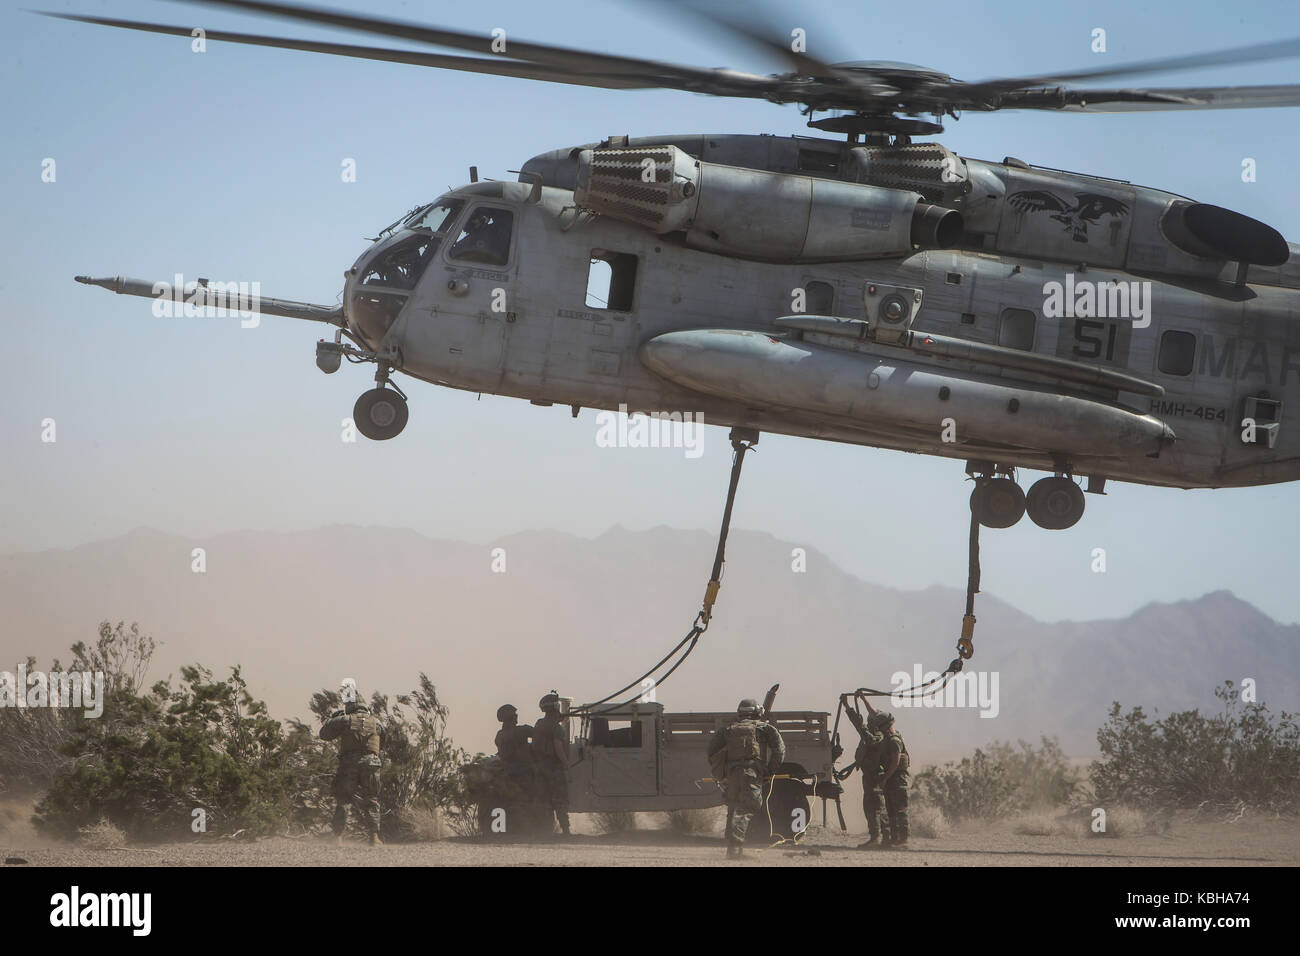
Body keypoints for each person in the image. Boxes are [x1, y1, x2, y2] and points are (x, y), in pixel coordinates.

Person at [707, 698, 785, 858]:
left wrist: (722, 773)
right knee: (749, 806)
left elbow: (711, 752)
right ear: (757, 712)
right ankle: (736, 849)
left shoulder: (726, 730)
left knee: (733, 807)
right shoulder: (765, 728)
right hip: (752, 772)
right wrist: (769, 771)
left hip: (731, 773)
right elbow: (779, 751)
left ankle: (731, 850)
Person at [319, 678, 383, 846]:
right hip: (372, 763)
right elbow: (384, 738)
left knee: (344, 799)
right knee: (372, 800)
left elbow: (324, 734)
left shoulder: (345, 720)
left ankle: (338, 837)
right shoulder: (376, 722)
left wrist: (335, 718)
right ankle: (374, 838)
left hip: (350, 764)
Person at [843, 692, 890, 847]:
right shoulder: (873, 736)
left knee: (874, 807)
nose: (868, 724)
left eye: (870, 722)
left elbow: (860, 727)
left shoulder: (876, 737)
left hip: (874, 776)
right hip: (870, 775)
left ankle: (878, 838)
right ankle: (882, 838)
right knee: (873, 806)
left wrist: (848, 706)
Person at [530, 691, 571, 836]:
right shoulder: (556, 728)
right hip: (554, 768)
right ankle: (566, 830)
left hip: (540, 767)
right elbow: (558, 747)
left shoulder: (539, 724)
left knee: (544, 800)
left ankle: (545, 831)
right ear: (555, 707)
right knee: (560, 800)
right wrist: (566, 763)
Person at [869, 706, 910, 848]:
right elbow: (876, 715)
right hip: (892, 779)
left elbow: (895, 762)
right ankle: (894, 839)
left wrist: (885, 778)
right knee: (891, 811)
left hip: (897, 779)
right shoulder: (890, 737)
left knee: (900, 810)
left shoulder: (894, 741)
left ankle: (903, 840)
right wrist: (863, 699)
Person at [494, 704, 535, 816]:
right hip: (524, 772)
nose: (517, 717)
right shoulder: (522, 730)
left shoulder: (499, 735)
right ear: (511, 718)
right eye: (515, 715)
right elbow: (539, 734)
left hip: (507, 771)